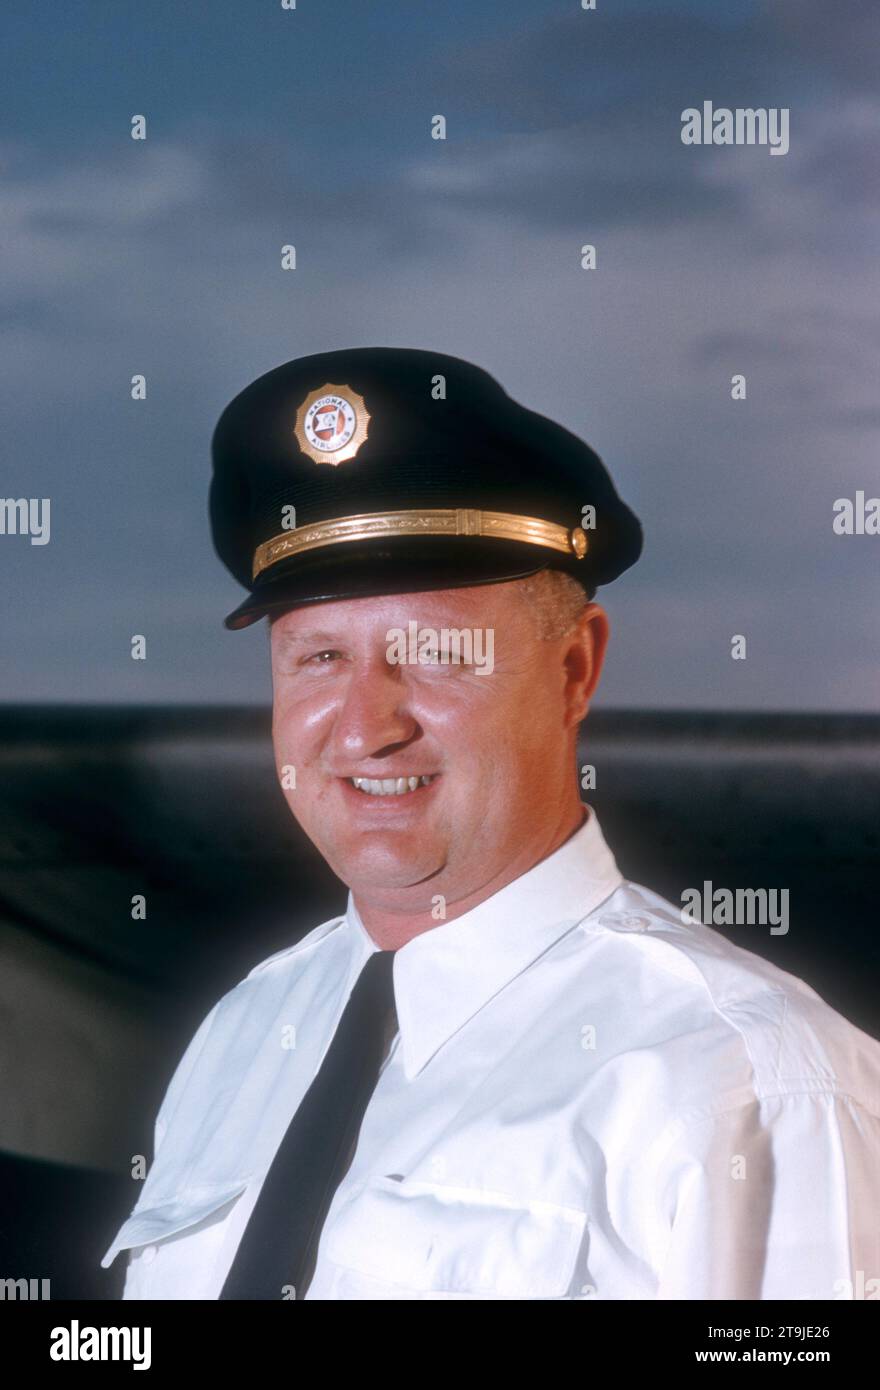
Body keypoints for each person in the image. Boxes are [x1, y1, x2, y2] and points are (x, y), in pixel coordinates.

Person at [101, 347, 880, 1300]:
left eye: (432, 652)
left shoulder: (752, 1084)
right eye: (317, 658)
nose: (363, 727)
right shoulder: (247, 1028)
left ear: (573, 669)